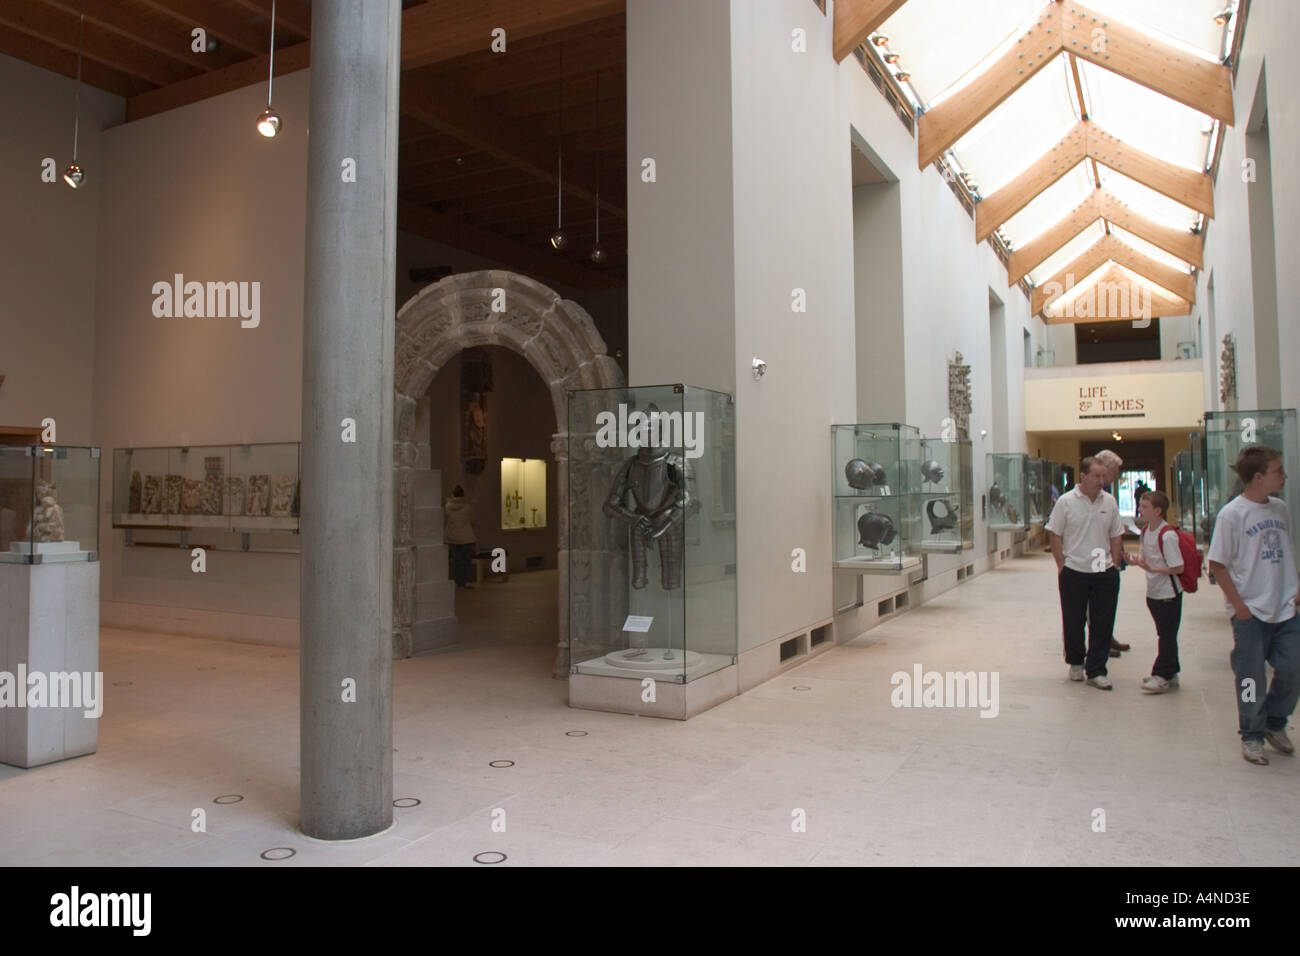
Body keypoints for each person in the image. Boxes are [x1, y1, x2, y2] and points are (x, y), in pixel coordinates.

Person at [1206, 445, 1300, 766]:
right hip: (1250, 612)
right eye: (1278, 470)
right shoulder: (1232, 514)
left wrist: (1295, 587)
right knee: (1250, 678)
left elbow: (1286, 552)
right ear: (1258, 477)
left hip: (1285, 608)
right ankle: (1252, 734)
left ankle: (1274, 721)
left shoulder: (1281, 509)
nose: (1284, 475)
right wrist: (1239, 607)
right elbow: (1218, 564)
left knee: (1291, 668)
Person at [1046, 456, 1126, 689]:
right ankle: (1076, 663)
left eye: (1104, 476)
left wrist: (1115, 562)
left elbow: (1115, 534)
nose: (1102, 480)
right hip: (1075, 569)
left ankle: (1097, 670)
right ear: (1083, 476)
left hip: (1104, 569)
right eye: (1097, 476)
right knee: (1073, 620)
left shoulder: (1109, 501)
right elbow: (1056, 533)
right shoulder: (1066, 502)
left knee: (1102, 622)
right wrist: (1061, 563)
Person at [1128, 490, 1185, 694]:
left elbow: (1178, 567)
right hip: (1153, 592)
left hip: (1168, 593)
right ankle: (1171, 672)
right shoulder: (1146, 532)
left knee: (1167, 635)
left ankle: (1161, 674)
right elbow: (1146, 559)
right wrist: (1136, 562)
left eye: (1145, 507)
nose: (1140, 510)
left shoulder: (1167, 535)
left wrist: (1155, 569)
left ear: (1158, 511)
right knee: (1165, 633)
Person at [1094, 448, 1131, 657]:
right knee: (1099, 599)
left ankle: (1108, 636)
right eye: (1115, 469)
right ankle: (1101, 641)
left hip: (1110, 549)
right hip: (1100, 552)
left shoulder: (1107, 491)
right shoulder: (1097, 491)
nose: (1117, 473)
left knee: (1108, 598)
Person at [444, 484, 477, 589]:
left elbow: (446, 521)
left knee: (456, 561)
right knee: (466, 560)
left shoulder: (447, 507)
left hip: (453, 538)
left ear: (453, 495)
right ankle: (467, 581)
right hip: (466, 538)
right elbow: (473, 521)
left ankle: (459, 583)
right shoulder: (468, 507)